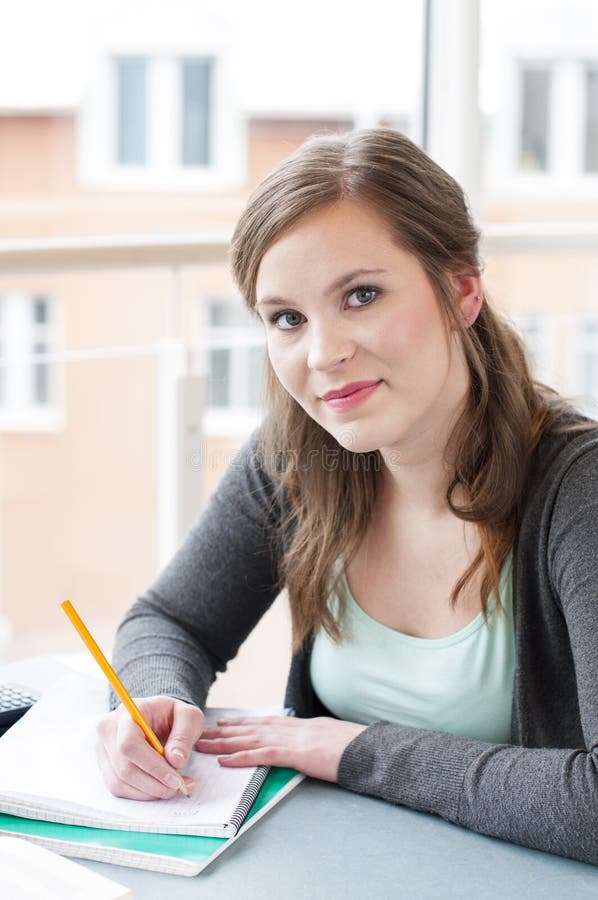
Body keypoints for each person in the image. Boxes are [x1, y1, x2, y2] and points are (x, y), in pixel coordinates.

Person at [96, 127, 598, 865]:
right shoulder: (295, 457)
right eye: (287, 319)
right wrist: (151, 698)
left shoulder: (577, 487)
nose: (323, 353)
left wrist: (358, 751)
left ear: (461, 290)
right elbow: (172, 620)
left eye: (361, 296)